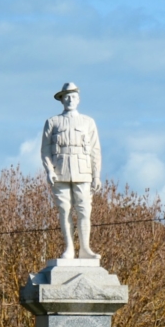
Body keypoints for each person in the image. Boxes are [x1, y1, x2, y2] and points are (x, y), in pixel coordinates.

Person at [41, 82, 101, 259]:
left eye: (73, 96)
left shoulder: (88, 122)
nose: (70, 99)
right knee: (64, 209)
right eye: (66, 96)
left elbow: (95, 150)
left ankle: (85, 249)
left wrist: (96, 175)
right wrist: (49, 170)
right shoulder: (52, 122)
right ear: (61, 100)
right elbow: (45, 150)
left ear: (79, 99)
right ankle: (69, 248)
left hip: (83, 171)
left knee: (84, 211)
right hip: (60, 170)